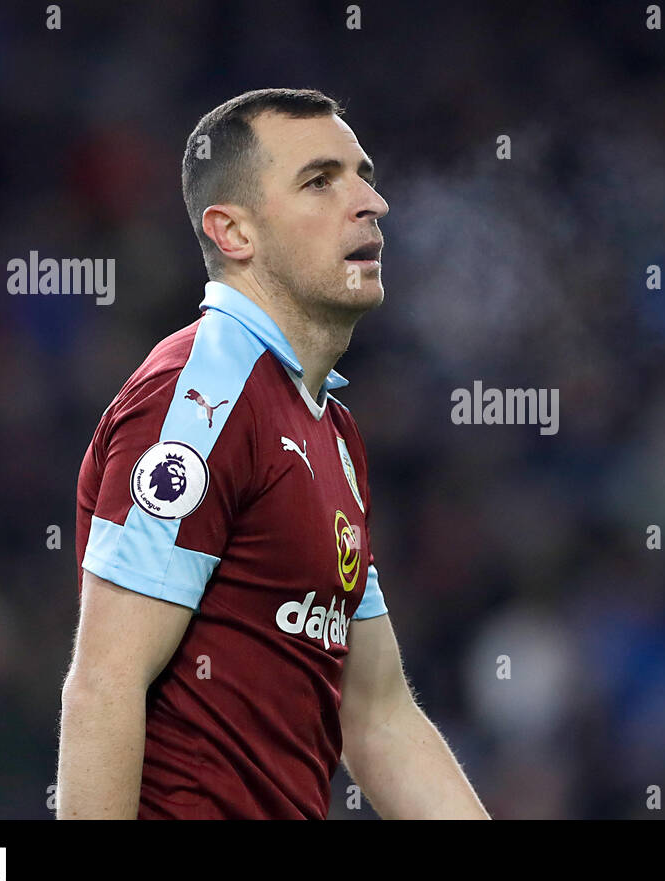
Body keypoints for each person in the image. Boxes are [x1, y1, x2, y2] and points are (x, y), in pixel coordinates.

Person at [57, 88, 489, 819]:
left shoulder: (331, 430)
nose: (370, 202)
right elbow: (105, 680)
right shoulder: (201, 395)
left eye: (364, 175)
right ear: (233, 232)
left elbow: (378, 716)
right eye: (320, 181)